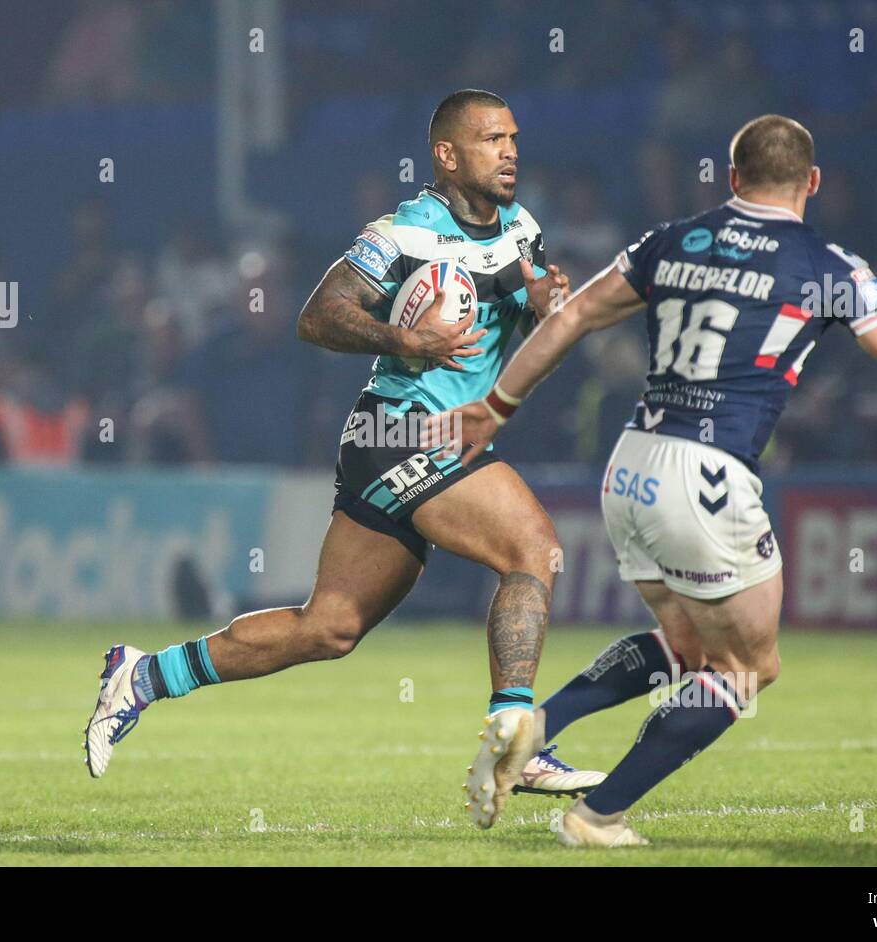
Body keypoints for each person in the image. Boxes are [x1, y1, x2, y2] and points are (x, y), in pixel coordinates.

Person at [422, 115, 877, 846]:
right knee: (748, 668)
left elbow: (572, 315)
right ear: (812, 181)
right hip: (706, 476)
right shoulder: (827, 267)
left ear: (734, 178)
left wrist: (495, 406)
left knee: (685, 641)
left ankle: (536, 725)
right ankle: (596, 815)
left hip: (631, 464)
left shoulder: (672, 239)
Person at [84, 90, 605, 821]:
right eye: (492, 139)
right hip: (402, 428)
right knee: (533, 547)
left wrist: (547, 312)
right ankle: (515, 738)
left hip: (413, 439)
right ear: (447, 155)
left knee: (328, 627)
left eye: (513, 137)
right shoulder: (403, 233)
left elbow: (523, 330)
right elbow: (318, 315)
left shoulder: (523, 230)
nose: (510, 151)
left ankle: (142, 676)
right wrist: (405, 338)